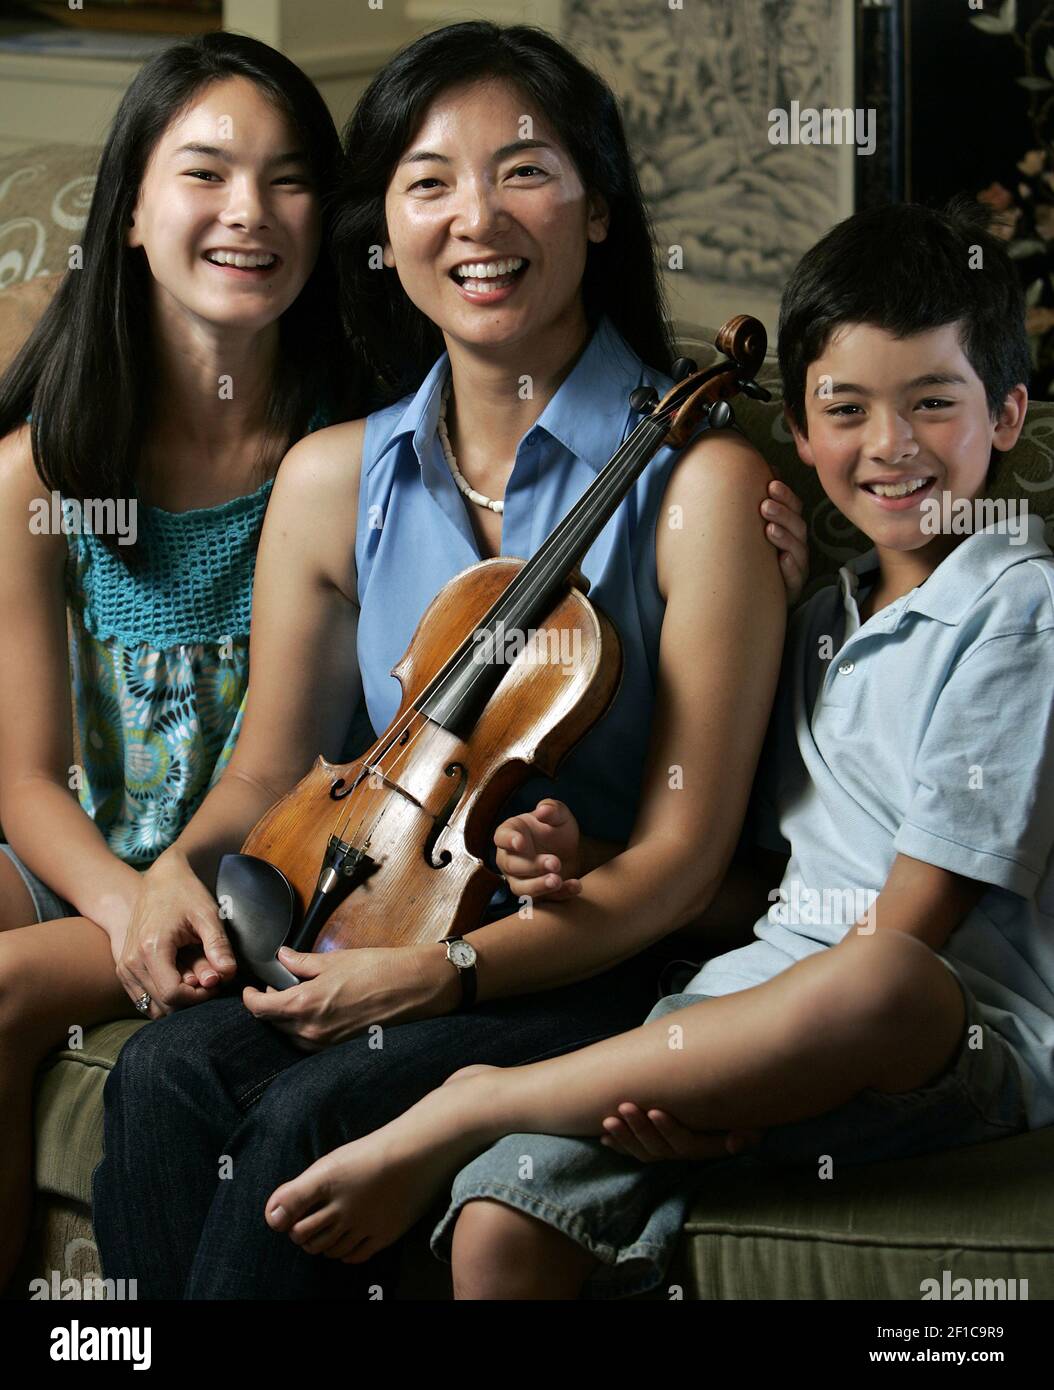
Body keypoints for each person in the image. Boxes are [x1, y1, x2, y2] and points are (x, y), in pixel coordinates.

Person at [91, 21, 804, 1300]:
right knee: (160, 1070)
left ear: (597, 209)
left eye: (524, 170)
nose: (476, 216)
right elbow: (267, 769)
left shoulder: (705, 487)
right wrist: (171, 875)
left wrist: (444, 972)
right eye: (428, 182)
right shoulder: (332, 476)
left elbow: (682, 861)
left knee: (317, 1109)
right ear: (385, 229)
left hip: (599, 962)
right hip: (373, 924)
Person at [260, 198, 1054, 1301]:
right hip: (737, 1005)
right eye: (846, 408)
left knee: (883, 974)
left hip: (951, 1038)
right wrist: (585, 868)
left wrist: (751, 1072)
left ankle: (476, 1098)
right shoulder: (821, 619)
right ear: (803, 430)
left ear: (1007, 413)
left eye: (933, 402)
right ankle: (516, 1130)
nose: (889, 445)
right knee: (503, 1213)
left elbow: (907, 927)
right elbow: (775, 896)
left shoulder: (1018, 607)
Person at [0, 33, 362, 1288]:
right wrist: (124, 895)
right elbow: (28, 778)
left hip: (263, 874)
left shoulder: (352, 455)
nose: (248, 213)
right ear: (135, 212)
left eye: (287, 179)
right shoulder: (42, 472)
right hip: (89, 860)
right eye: (204, 173)